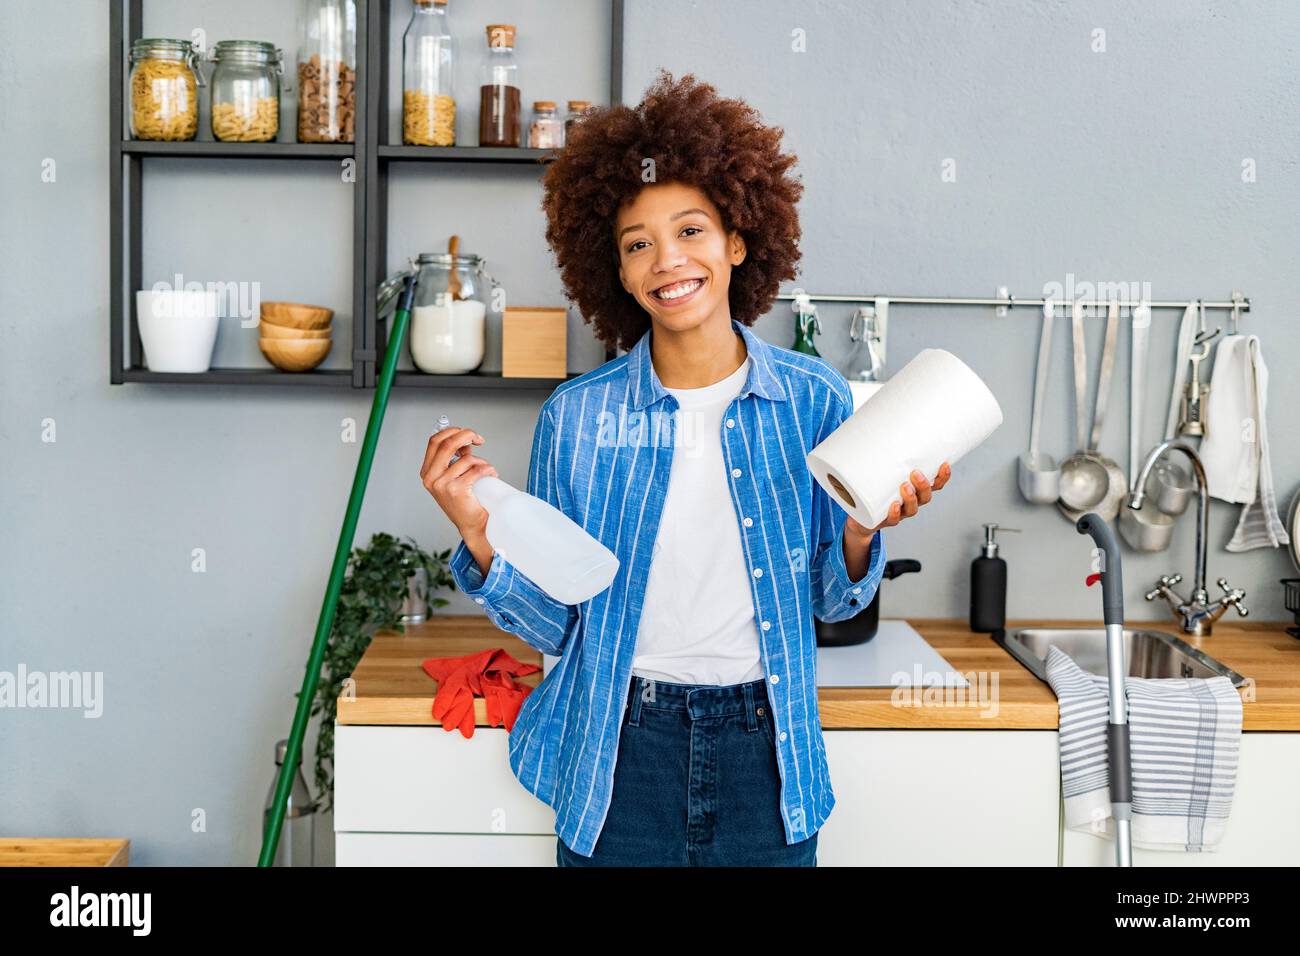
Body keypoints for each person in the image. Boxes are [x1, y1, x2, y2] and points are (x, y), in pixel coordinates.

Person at [420, 70, 950, 866]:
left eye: (692, 230)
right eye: (639, 245)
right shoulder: (578, 417)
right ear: (620, 273)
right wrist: (477, 531)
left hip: (765, 756)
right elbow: (561, 624)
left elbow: (832, 599)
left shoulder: (813, 400)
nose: (669, 259)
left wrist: (859, 526)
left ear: (738, 241)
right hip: (620, 749)